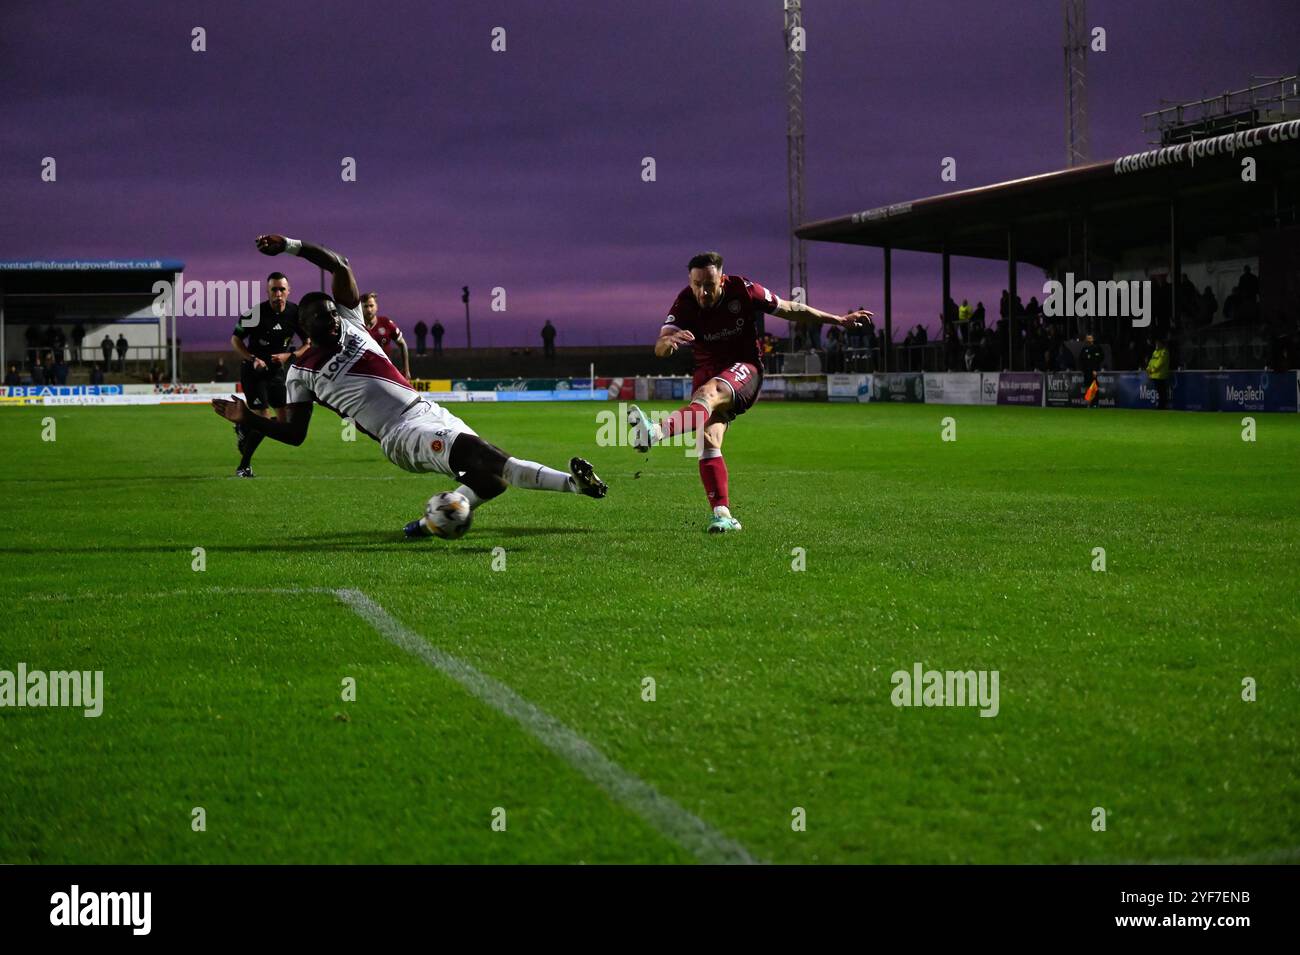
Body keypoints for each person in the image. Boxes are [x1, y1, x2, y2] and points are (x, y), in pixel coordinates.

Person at [211, 234, 607, 536]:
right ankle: (564, 487)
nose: (333, 322)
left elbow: (339, 264)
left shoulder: (349, 320)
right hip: (399, 434)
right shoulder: (303, 374)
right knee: (485, 456)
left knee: (494, 477)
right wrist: (248, 417)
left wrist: (291, 246)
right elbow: (294, 434)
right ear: (306, 329)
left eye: (334, 315)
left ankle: (432, 523)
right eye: (323, 321)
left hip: (426, 410)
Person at [626, 250, 871, 533]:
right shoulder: (684, 302)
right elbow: (659, 346)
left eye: (708, 284)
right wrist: (669, 342)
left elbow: (791, 308)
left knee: (709, 393)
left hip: (745, 369)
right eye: (696, 284)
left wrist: (837, 320)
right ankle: (723, 515)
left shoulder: (743, 290)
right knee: (708, 441)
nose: (701, 291)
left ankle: (654, 432)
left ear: (722, 279)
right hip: (708, 371)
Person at [229, 271, 304, 477]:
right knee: (264, 416)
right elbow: (235, 340)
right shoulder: (255, 313)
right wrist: (253, 359)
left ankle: (245, 425)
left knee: (282, 424)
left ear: (289, 291)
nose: (278, 293)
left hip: (277, 372)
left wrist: (290, 356)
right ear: (267, 291)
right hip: (254, 372)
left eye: (282, 289)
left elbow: (308, 343)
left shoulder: (295, 313)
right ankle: (244, 465)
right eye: (274, 289)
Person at [360, 292, 412, 380]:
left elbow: (402, 344)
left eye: (371, 306)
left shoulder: (386, 323)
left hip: (385, 374)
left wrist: (406, 370)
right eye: (365, 306)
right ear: (360, 309)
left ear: (376, 307)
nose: (369, 309)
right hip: (364, 375)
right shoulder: (356, 326)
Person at [1078, 333, 1105, 408]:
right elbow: (1081, 360)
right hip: (1086, 372)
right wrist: (1082, 369)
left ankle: (1095, 403)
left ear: (1093, 339)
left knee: (1094, 387)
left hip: (1094, 371)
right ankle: (1088, 403)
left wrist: (1096, 369)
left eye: (1090, 338)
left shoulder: (1097, 348)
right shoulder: (1084, 349)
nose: (1088, 340)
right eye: (1087, 338)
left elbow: (1100, 359)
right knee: (1087, 387)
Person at [1144, 338, 1172, 410]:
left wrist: (1152, 370)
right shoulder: (1155, 352)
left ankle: (1162, 406)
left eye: (1158, 343)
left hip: (1161, 375)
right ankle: (1160, 405)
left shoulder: (1164, 352)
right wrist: (1148, 369)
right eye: (1156, 343)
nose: (1156, 345)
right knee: (1159, 391)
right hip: (1155, 376)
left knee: (1162, 391)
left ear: (1162, 344)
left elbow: (1160, 363)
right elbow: (1151, 361)